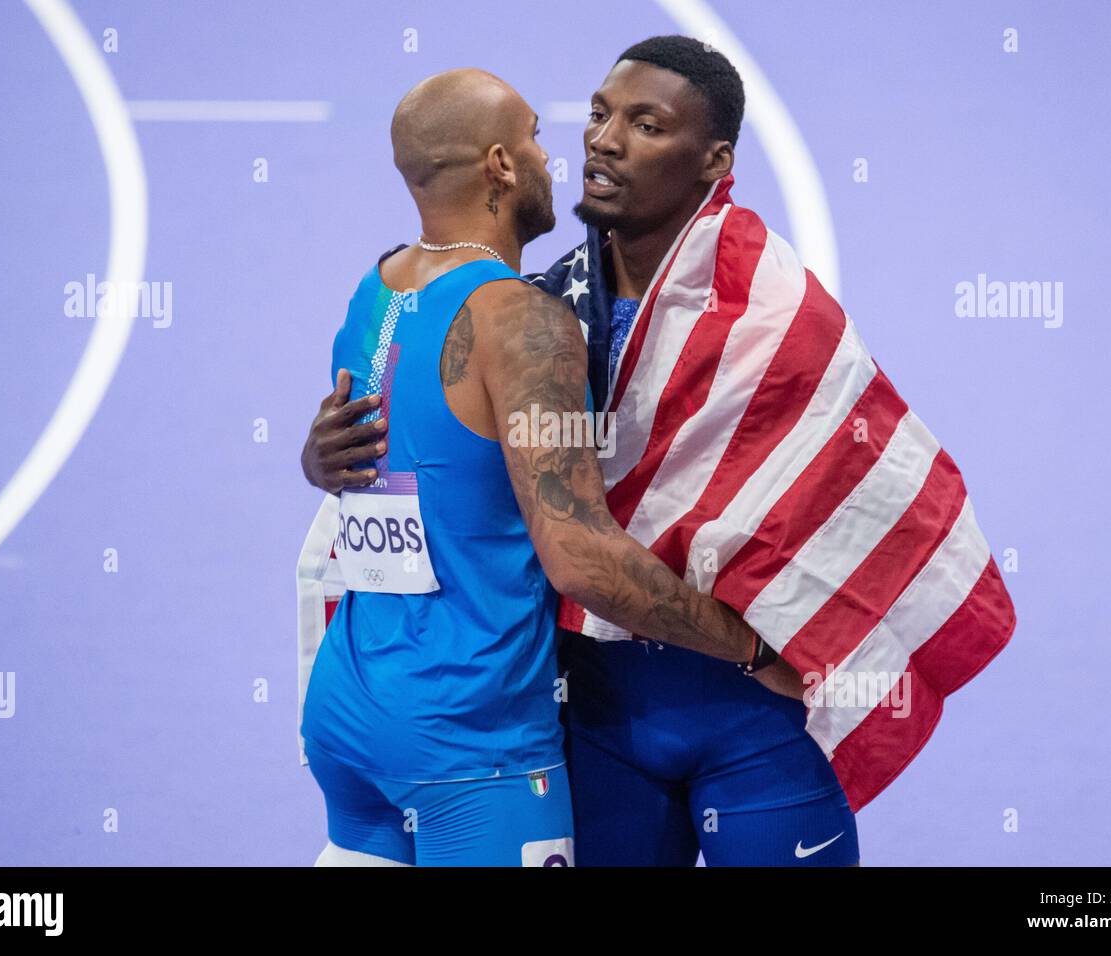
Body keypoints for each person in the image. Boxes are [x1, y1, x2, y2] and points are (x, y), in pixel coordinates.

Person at [298, 66, 802, 868]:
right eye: (534, 136)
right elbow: (581, 559)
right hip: (470, 744)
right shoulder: (526, 323)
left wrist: (312, 459)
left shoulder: (380, 285)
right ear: (500, 165)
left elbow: (377, 453)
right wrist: (755, 650)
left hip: (350, 716)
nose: (554, 155)